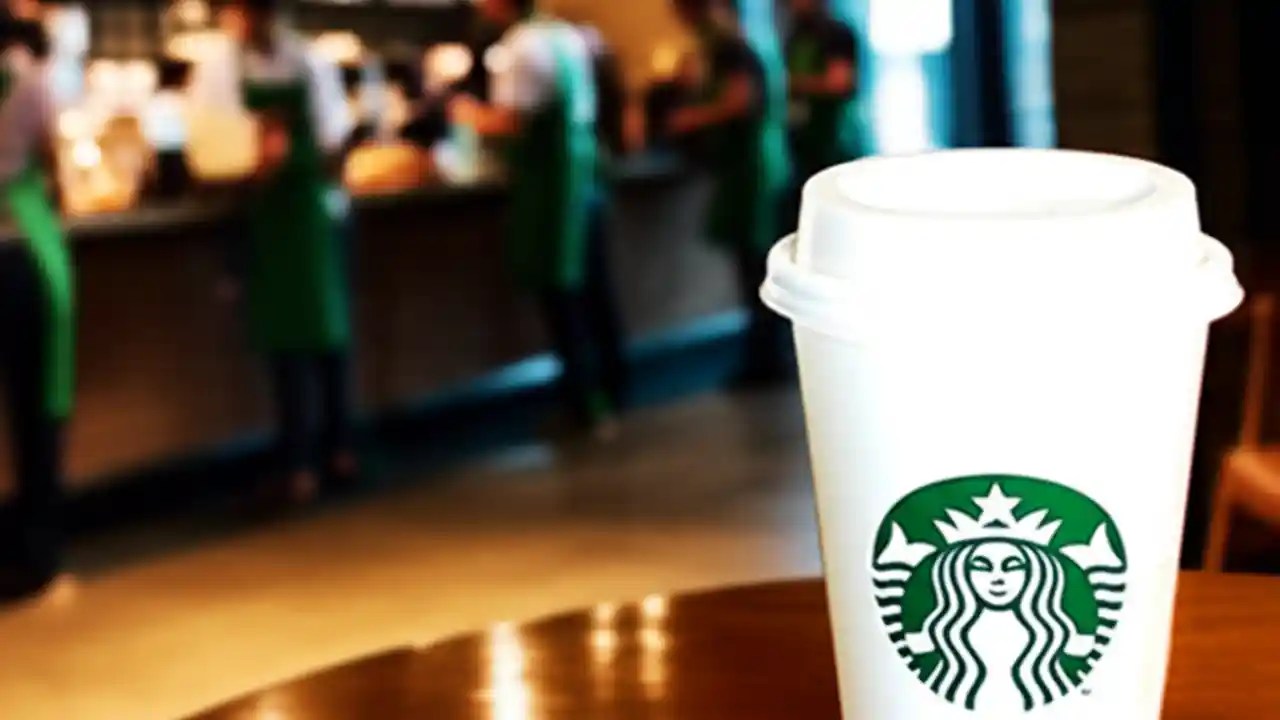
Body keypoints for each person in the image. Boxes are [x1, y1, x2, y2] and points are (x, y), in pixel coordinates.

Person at [449, 0, 629, 436]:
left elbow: (512, 120)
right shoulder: (564, 35)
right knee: (593, 287)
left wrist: (466, 115)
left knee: (560, 293)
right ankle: (613, 389)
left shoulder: (520, 47)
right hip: (583, 173)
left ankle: (582, 402)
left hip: (548, 184)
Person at [221, 0, 359, 505]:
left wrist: (280, 161)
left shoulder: (309, 62)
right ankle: (304, 457)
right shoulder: (233, 65)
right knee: (291, 340)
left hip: (311, 212)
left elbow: (331, 145)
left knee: (324, 337)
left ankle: (333, 450)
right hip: (271, 216)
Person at [668, 0, 792, 386]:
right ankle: (767, 358)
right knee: (755, 267)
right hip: (760, 166)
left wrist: (691, 117)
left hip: (751, 171)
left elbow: (740, 100)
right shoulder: (753, 39)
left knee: (756, 270)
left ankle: (767, 362)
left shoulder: (730, 46)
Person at [0, 8, 73, 601]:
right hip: (24, 251)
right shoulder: (29, 81)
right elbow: (53, 161)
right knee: (35, 411)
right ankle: (37, 550)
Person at [785, 0, 860, 180]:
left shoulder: (837, 34)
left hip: (834, 144)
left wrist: (795, 83)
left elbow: (839, 83)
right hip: (802, 147)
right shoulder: (795, 36)